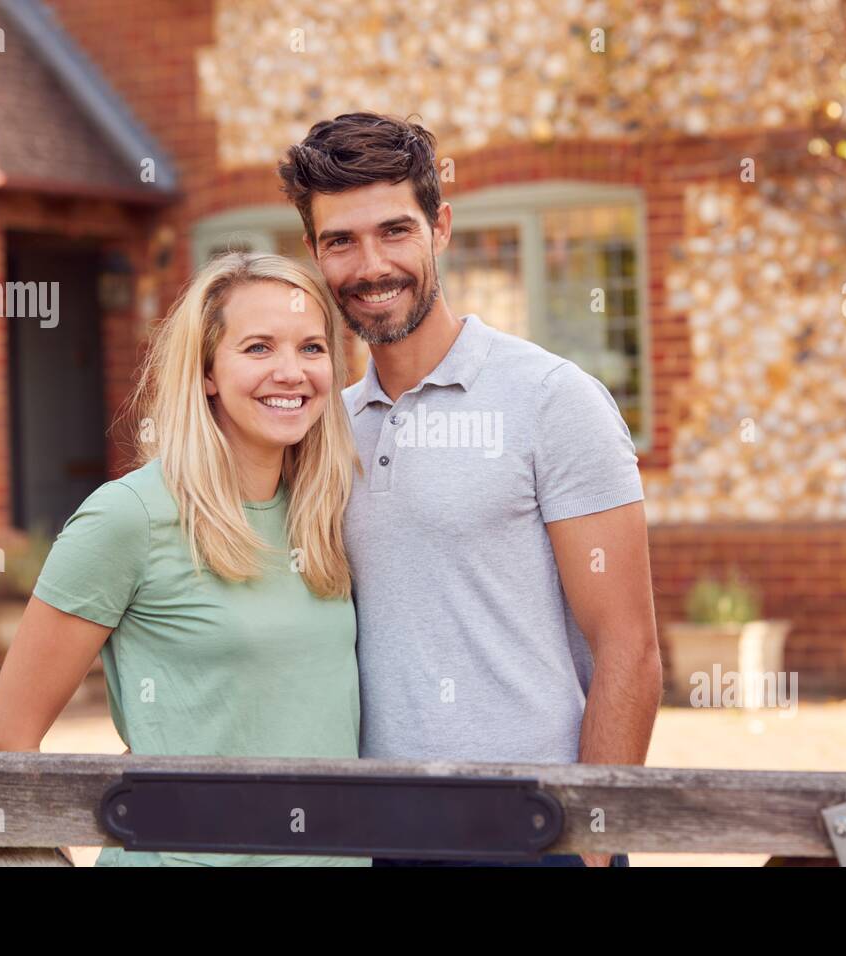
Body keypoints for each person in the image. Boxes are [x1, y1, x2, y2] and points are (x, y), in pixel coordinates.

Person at [279, 112, 663, 867]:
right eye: (340, 241)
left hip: (531, 835)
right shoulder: (323, 428)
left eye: (394, 231)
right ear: (314, 254)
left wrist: (585, 843)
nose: (370, 265)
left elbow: (631, 646)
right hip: (370, 837)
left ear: (440, 228)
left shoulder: (552, 399)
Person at [0, 251, 368, 867]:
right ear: (207, 371)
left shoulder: (325, 511)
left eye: (312, 348)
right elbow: (5, 743)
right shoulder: (128, 517)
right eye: (259, 348)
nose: (291, 371)